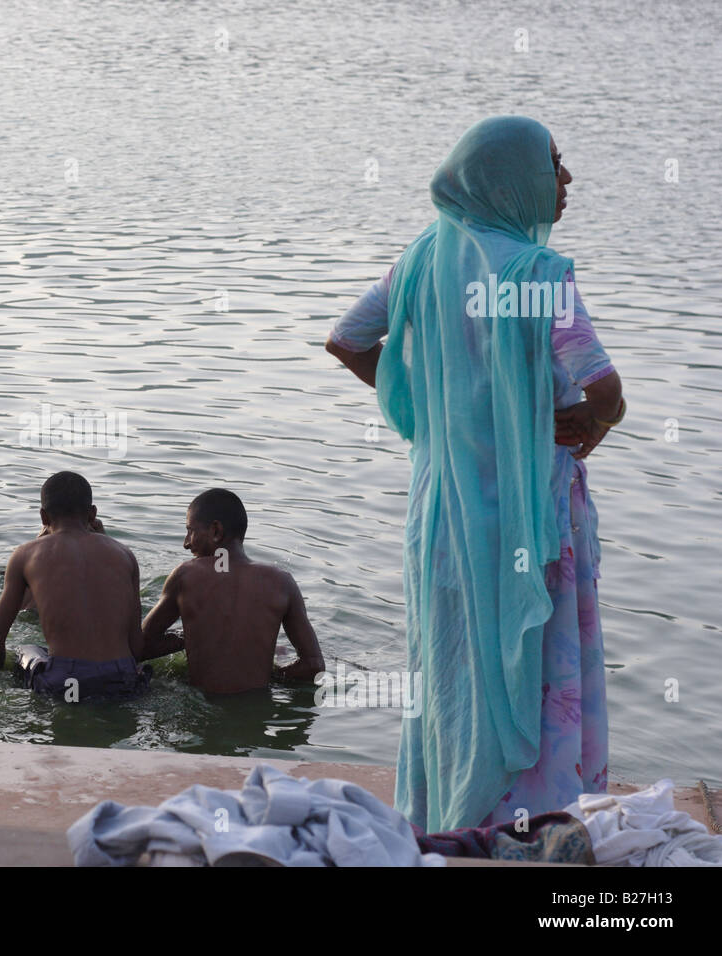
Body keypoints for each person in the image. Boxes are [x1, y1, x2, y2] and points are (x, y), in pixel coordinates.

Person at [325, 116, 622, 831]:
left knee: (452, 662)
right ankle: (530, 827)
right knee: (532, 663)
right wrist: (589, 426)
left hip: (443, 510)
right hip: (531, 515)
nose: (567, 178)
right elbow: (607, 390)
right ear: (513, 179)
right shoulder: (537, 276)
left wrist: (432, 412)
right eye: (555, 163)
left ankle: (444, 819)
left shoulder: (424, 259)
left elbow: (348, 338)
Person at [0, 472, 149, 700]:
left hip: (65, 683)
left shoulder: (25, 555)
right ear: (93, 513)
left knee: (26, 650)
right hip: (123, 679)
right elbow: (136, 649)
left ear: (43, 517)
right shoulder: (125, 554)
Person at [140, 488, 323, 694]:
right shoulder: (283, 582)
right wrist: (267, 675)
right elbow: (314, 667)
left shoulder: (186, 576)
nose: (186, 543)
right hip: (257, 715)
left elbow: (141, 646)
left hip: (201, 715)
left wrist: (188, 638)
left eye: (190, 531)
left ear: (216, 531)